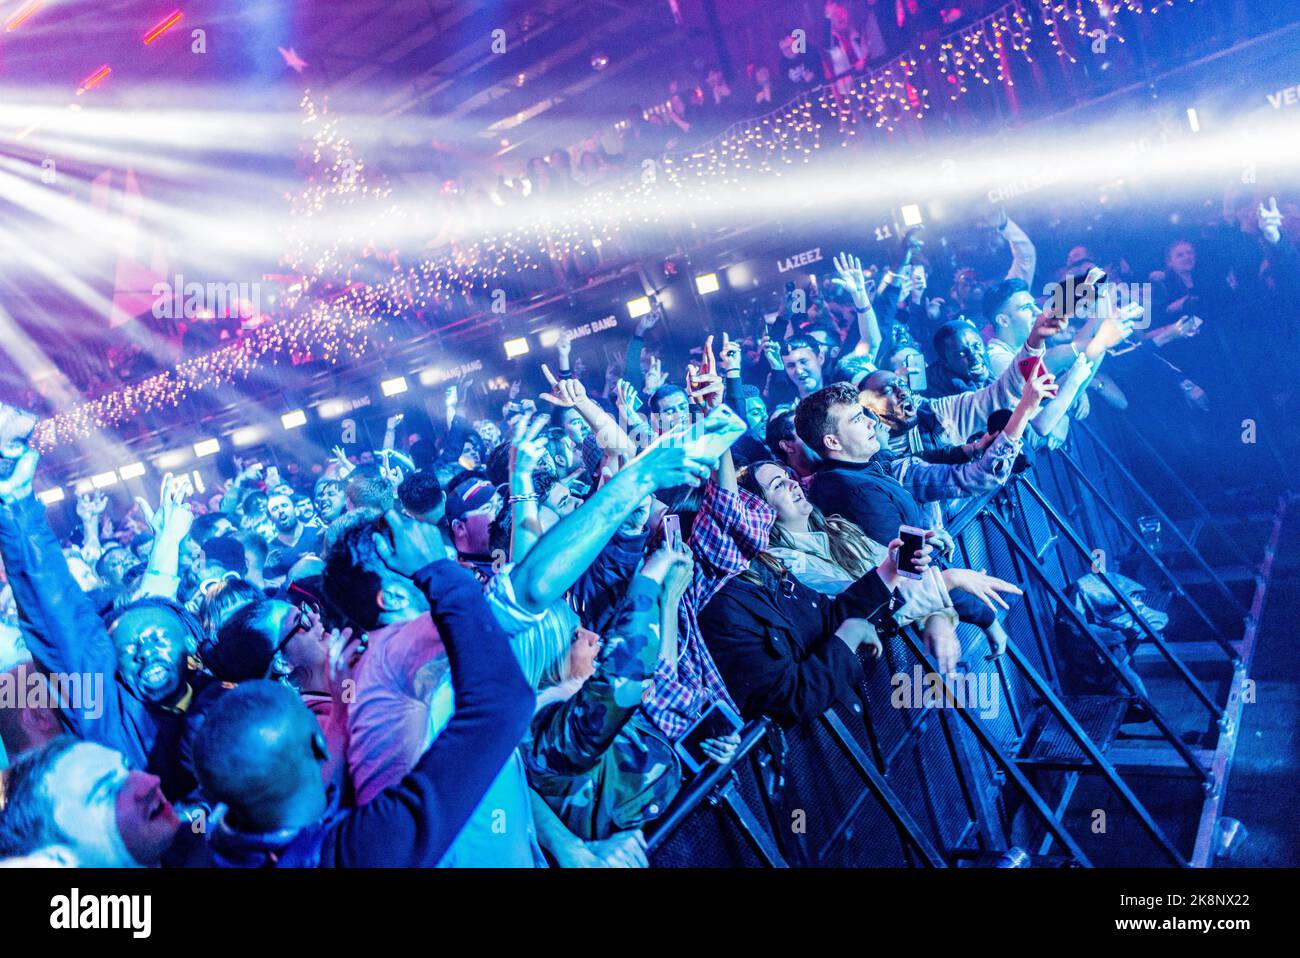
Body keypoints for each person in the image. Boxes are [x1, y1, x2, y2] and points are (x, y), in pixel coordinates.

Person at [188, 540, 535, 867]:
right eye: (301, 623)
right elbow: (502, 708)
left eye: (308, 610)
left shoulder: (226, 840)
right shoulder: (362, 842)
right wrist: (439, 570)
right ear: (281, 664)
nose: (316, 619)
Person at [0, 737, 181, 868]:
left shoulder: (202, 844)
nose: (151, 781)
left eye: (128, 767)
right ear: (58, 859)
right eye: (107, 790)